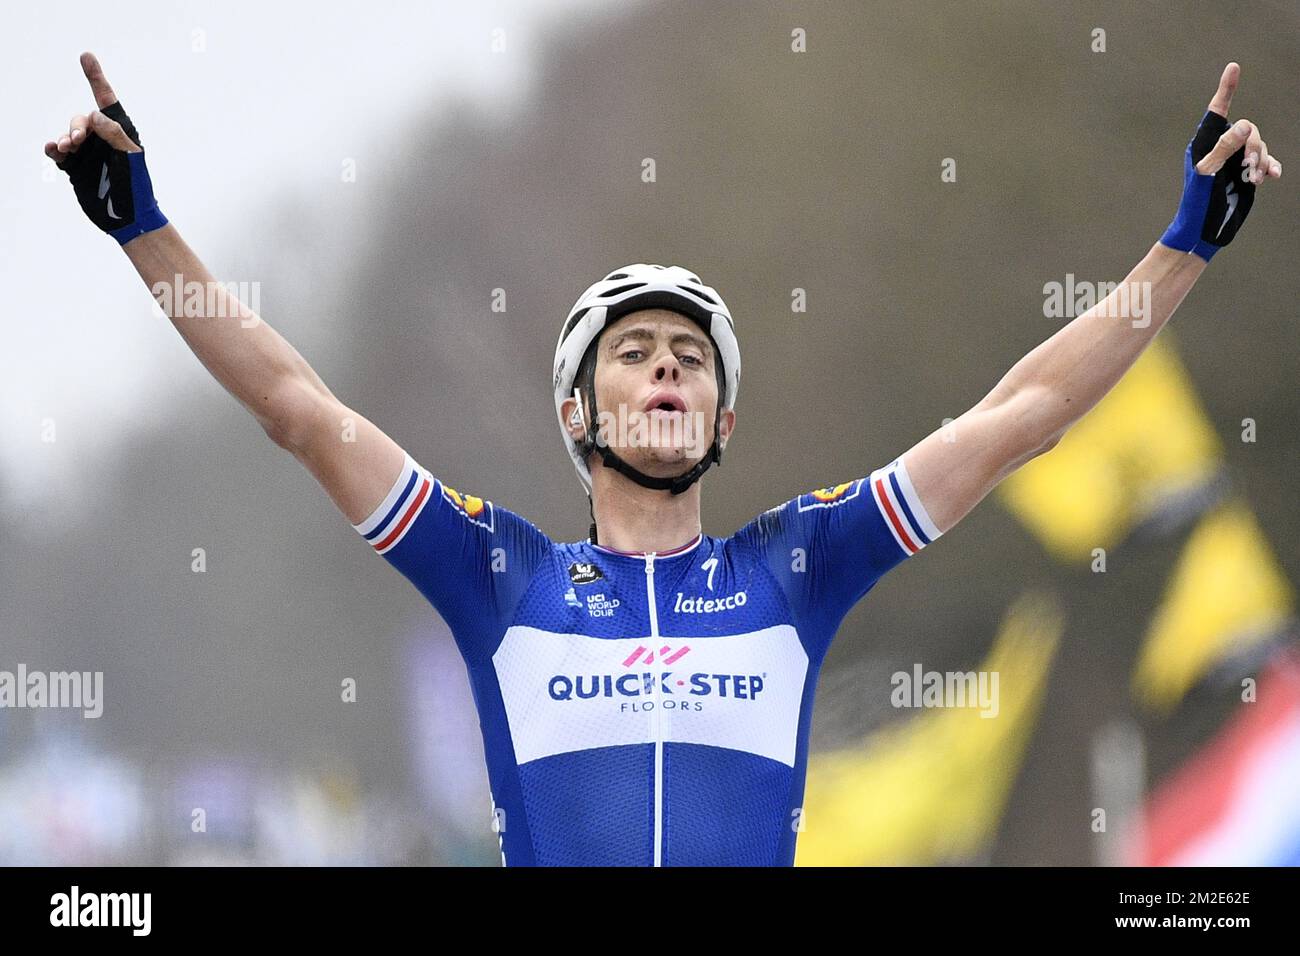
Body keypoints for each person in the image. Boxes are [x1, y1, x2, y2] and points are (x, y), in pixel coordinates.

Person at [47, 53, 1280, 866]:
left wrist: (1183, 248)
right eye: (634, 353)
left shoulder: (795, 562)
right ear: (579, 415)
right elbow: (301, 410)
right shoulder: (499, 574)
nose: (670, 373)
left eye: (693, 360)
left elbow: (1018, 415)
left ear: (723, 424)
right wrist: (144, 229)